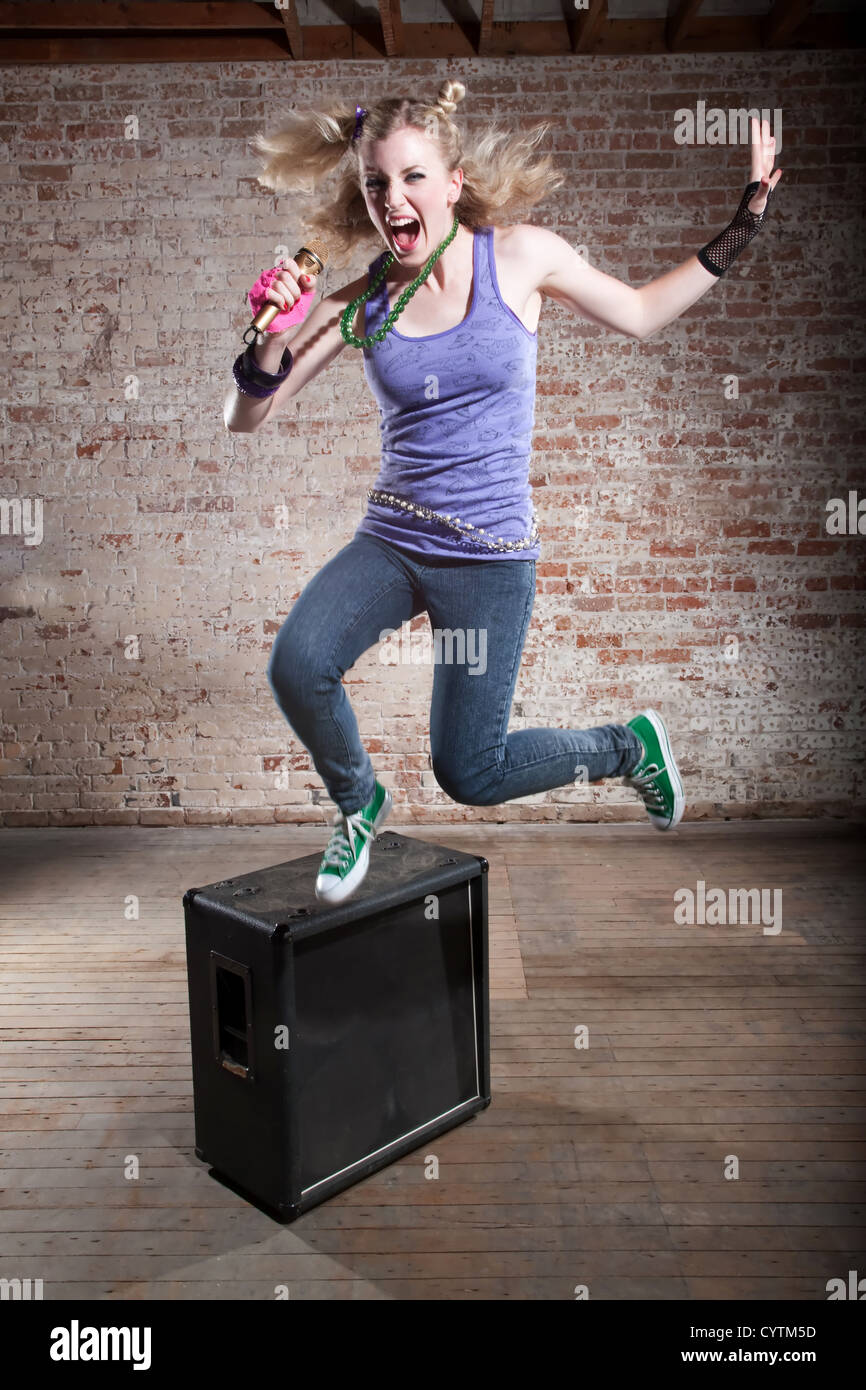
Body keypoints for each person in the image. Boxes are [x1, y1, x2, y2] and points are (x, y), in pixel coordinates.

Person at [226, 80, 781, 905]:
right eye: (377, 184)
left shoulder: (519, 257)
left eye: (413, 177)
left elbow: (639, 313)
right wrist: (269, 338)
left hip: (486, 562)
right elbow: (245, 418)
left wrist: (746, 222)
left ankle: (626, 748)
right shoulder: (362, 303)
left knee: (471, 774)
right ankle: (357, 803)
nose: (393, 200)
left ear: (453, 182)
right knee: (298, 662)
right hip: (394, 542)